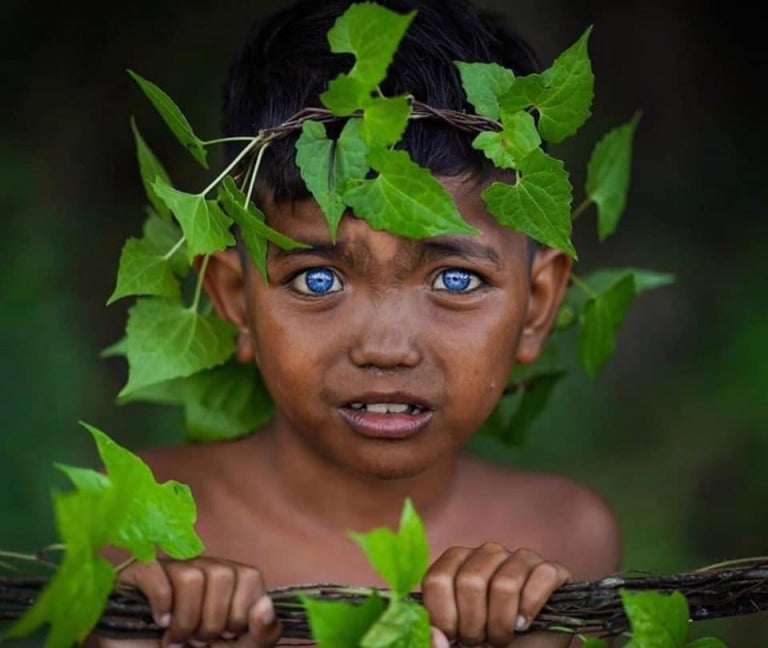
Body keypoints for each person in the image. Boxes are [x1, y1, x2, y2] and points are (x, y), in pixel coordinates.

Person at [92, 0, 622, 645]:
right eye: (318, 280)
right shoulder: (132, 533)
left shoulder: (569, 538)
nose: (387, 348)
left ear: (538, 305)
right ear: (234, 298)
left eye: (457, 279)